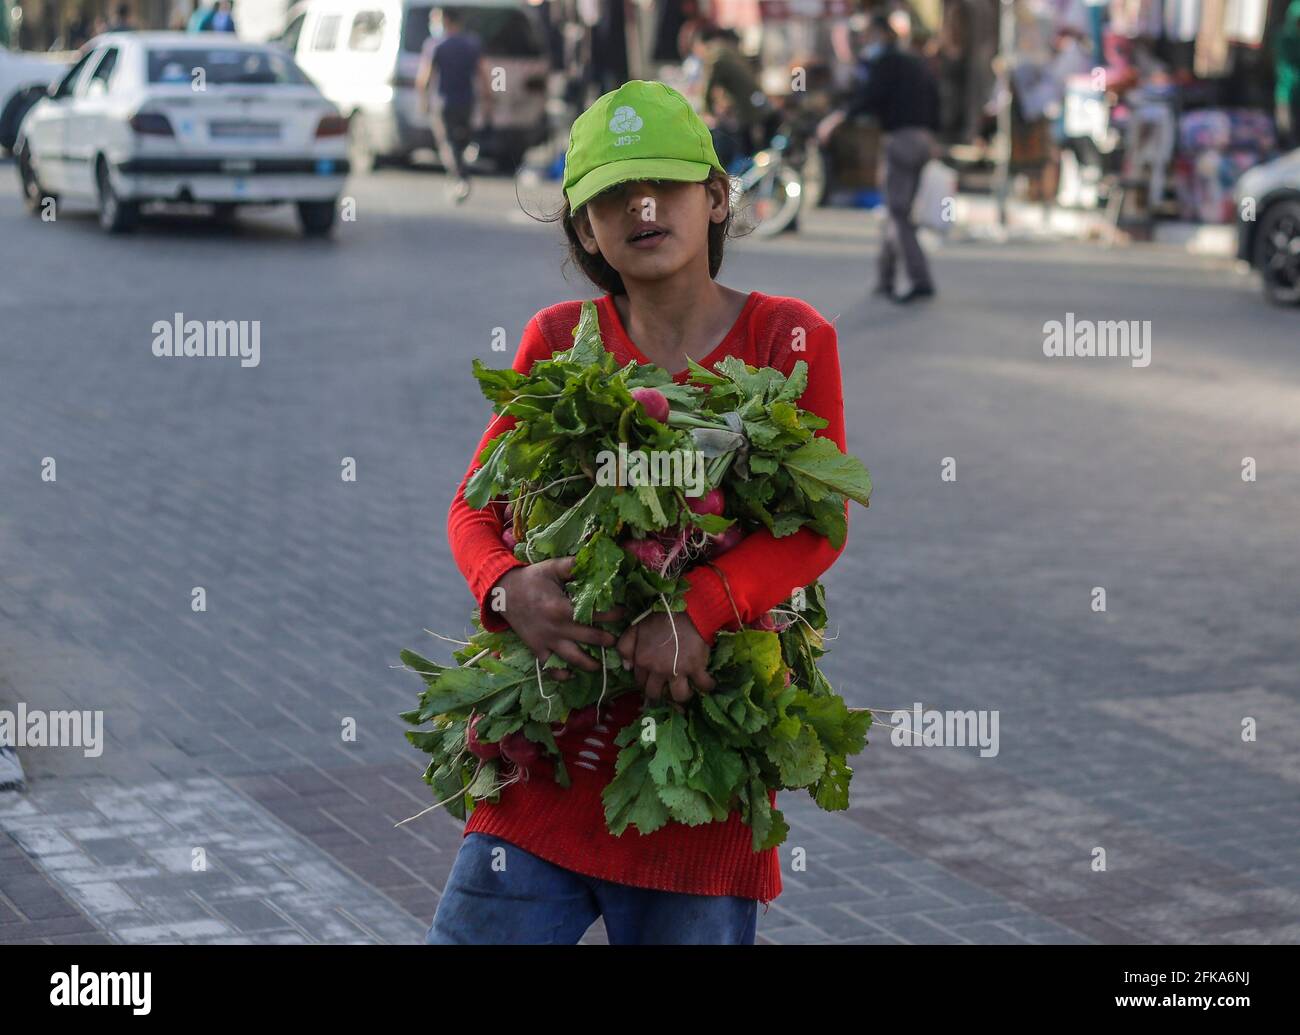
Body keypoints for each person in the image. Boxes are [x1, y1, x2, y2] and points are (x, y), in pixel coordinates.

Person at [429, 80, 851, 945]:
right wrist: (507, 587)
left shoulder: (789, 338)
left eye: (664, 183)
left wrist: (697, 612)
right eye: (614, 194)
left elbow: (820, 525)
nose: (643, 207)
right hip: (547, 750)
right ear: (586, 229)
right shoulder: (559, 341)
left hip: (699, 765)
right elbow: (474, 510)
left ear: (717, 197)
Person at [819, 16, 940, 302]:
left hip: (900, 140)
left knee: (897, 213)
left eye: (867, 34)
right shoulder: (916, 62)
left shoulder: (886, 63)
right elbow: (937, 99)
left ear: (881, 34)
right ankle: (885, 278)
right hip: (923, 140)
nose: (863, 40)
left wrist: (838, 118)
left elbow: (869, 97)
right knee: (894, 209)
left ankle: (920, 280)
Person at [416, 6, 491, 204]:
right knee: (461, 139)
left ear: (446, 21)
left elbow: (424, 78)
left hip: (443, 103)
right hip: (466, 102)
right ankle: (460, 173)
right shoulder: (472, 43)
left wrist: (423, 101)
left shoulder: (434, 44)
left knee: (447, 142)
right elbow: (483, 74)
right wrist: (487, 100)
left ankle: (460, 176)